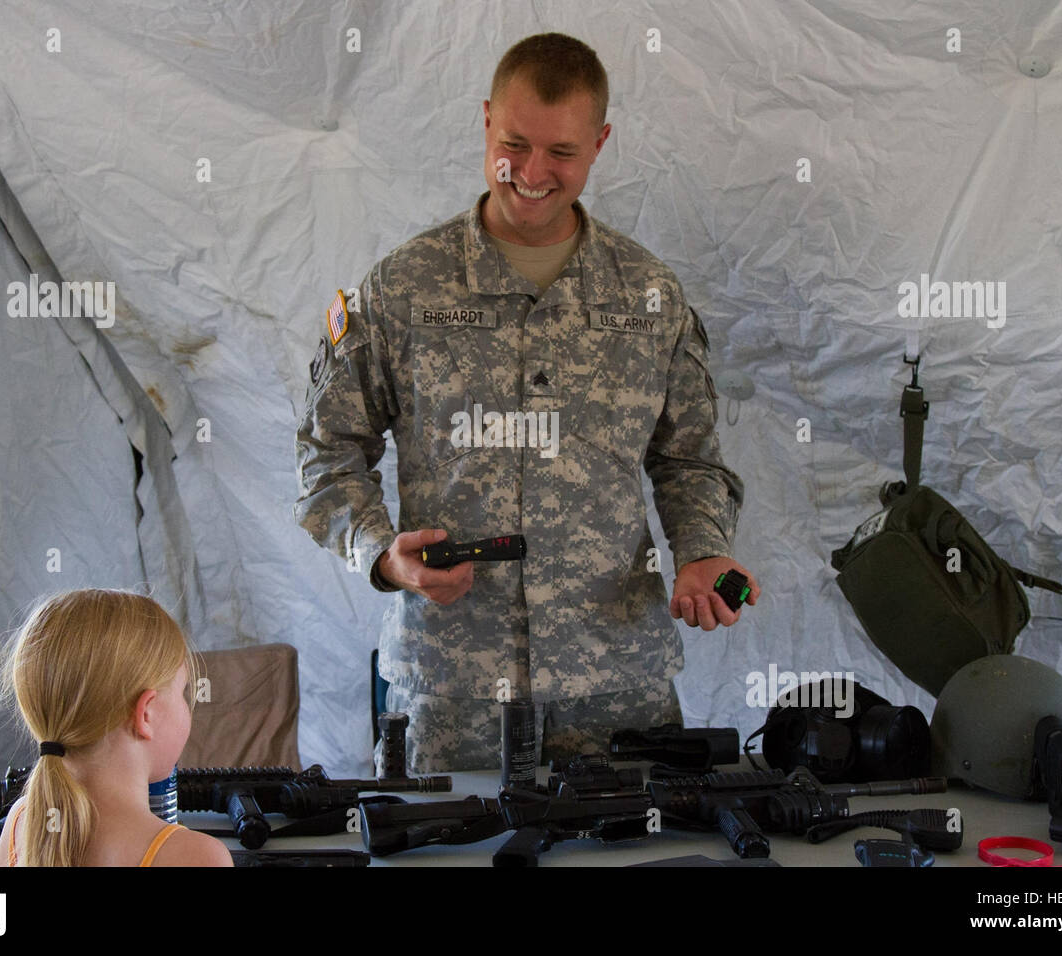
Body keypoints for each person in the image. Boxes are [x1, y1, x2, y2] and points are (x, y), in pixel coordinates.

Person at [295, 33, 759, 772]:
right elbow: (329, 453)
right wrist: (382, 553)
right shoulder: (404, 290)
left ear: (601, 143)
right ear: (485, 123)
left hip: (616, 687)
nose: (533, 173)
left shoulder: (648, 296)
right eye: (515, 143)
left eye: (562, 153)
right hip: (457, 689)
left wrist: (703, 550)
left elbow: (689, 460)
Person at [0, 589, 232, 866]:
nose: (188, 704)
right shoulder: (195, 856)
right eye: (182, 691)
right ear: (146, 714)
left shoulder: (21, 823)